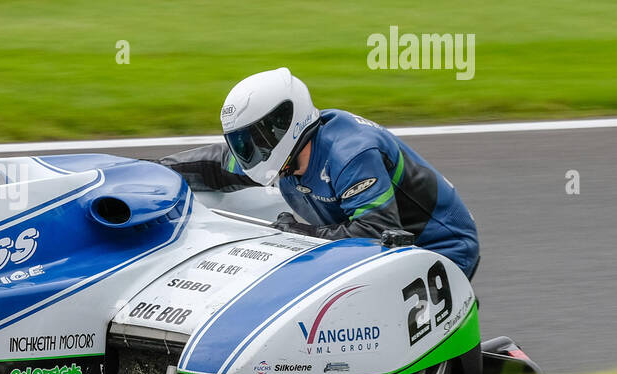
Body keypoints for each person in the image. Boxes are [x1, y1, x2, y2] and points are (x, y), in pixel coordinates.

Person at [160, 68, 480, 278]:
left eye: (254, 138)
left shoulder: (351, 154)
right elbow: (214, 166)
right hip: (382, 242)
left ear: (283, 123)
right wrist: (153, 172)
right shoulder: (280, 153)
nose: (248, 151)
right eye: (241, 142)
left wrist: (301, 234)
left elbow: (376, 232)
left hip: (440, 249)